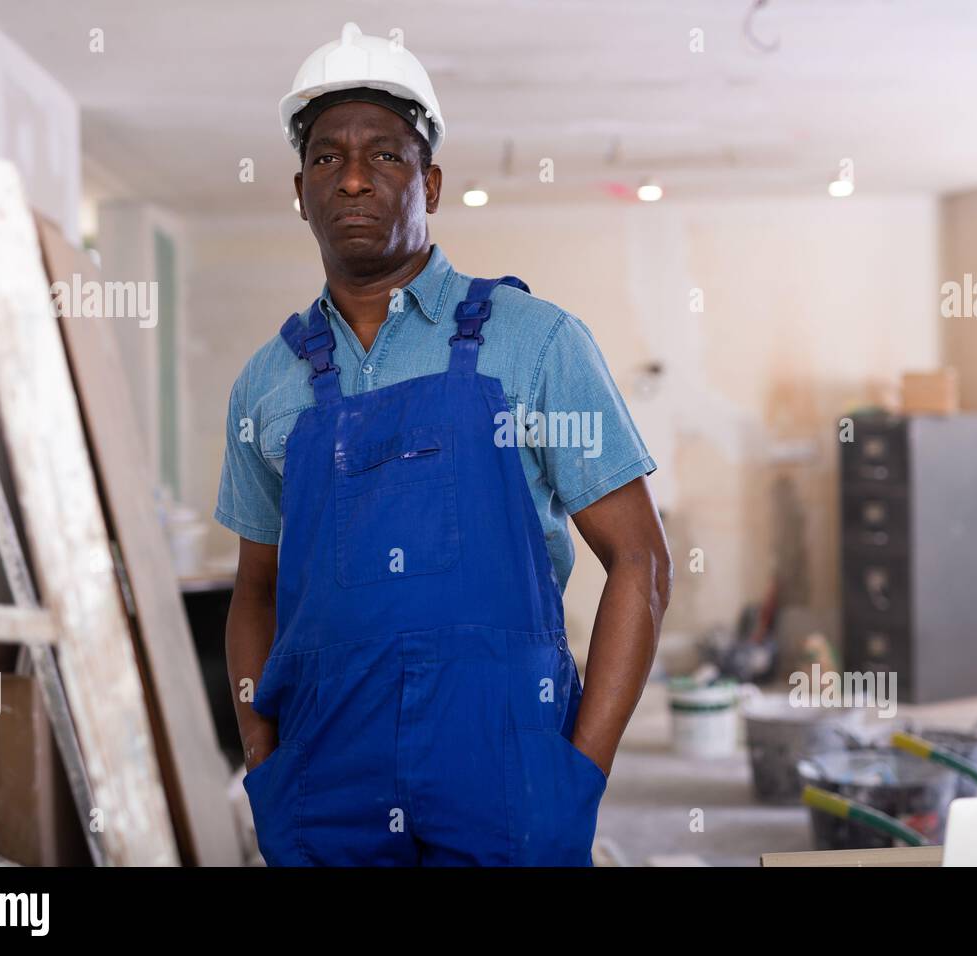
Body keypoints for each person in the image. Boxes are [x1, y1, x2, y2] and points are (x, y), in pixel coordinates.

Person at [216, 23, 672, 866]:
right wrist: (264, 762)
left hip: (506, 771)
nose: (352, 177)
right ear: (299, 189)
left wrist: (580, 771)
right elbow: (254, 592)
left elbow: (641, 560)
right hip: (325, 783)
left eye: (384, 155)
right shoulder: (267, 384)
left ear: (428, 180)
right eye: (326, 157)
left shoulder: (534, 343)